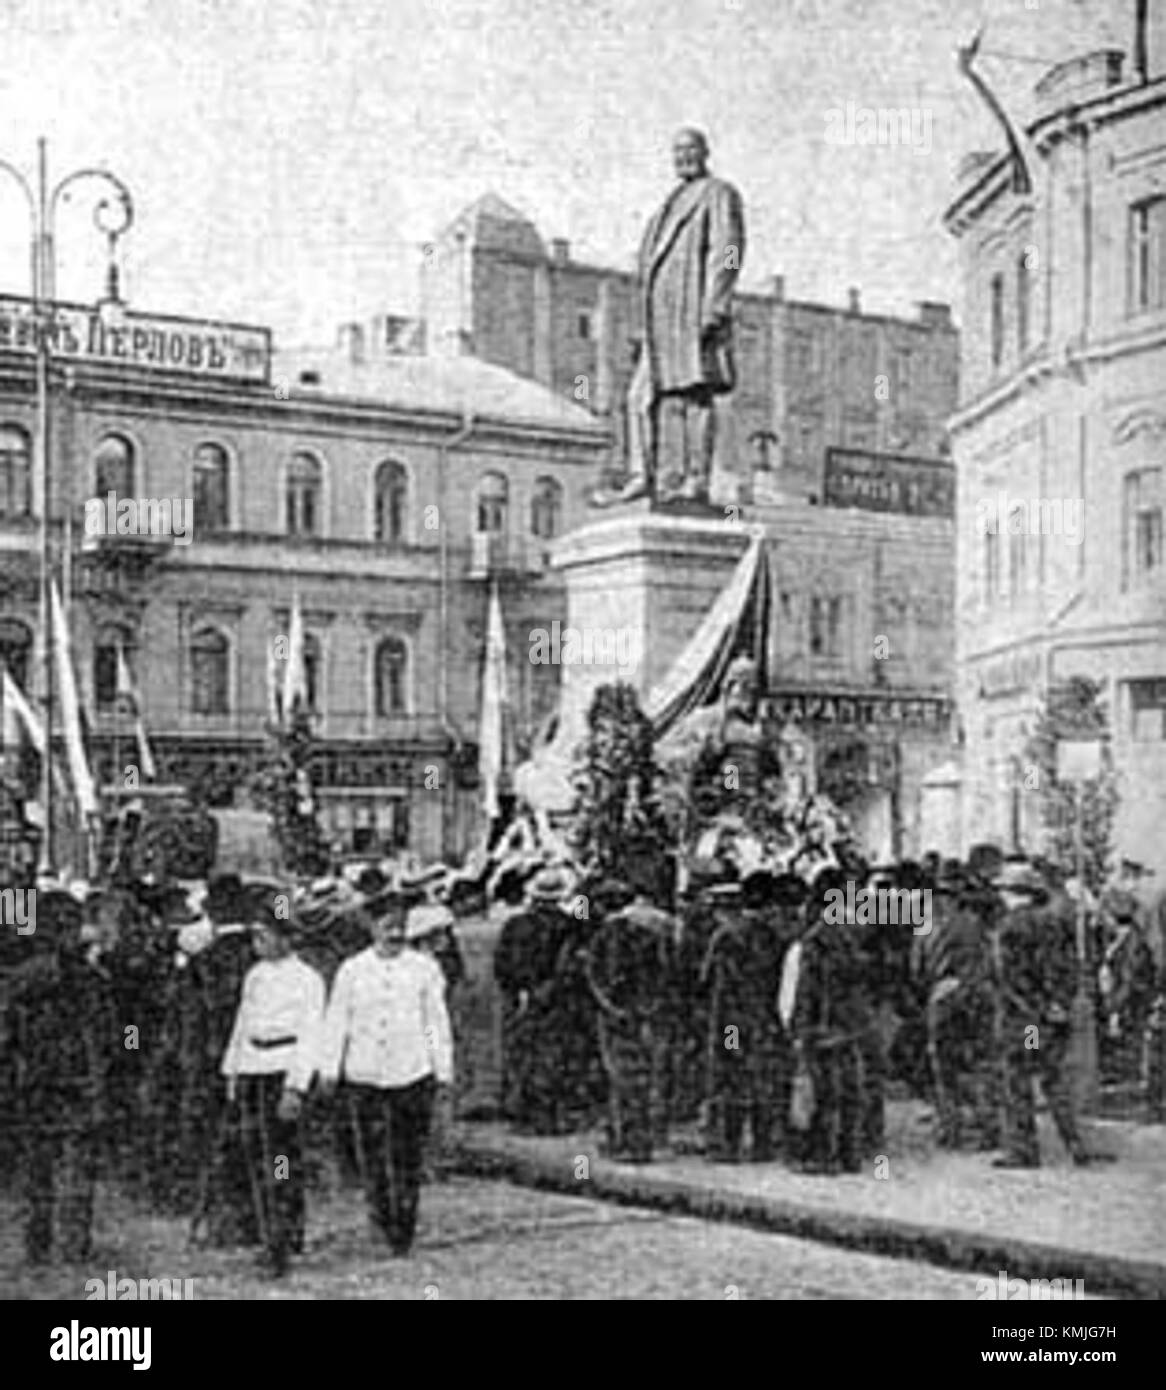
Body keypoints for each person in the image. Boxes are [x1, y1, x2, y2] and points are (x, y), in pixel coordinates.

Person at [602, 127, 746, 506]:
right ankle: (641, 476)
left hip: (692, 314)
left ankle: (696, 480)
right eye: (677, 151)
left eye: (690, 149)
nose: (683, 157)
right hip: (660, 323)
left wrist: (715, 304)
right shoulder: (666, 206)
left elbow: (728, 250)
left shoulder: (718, 193)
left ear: (705, 152)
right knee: (639, 397)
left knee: (695, 395)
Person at [318, 891, 454, 1256]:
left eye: (400, 926)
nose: (394, 933)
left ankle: (403, 1226)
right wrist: (330, 1068)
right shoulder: (352, 970)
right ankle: (380, 1218)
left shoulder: (424, 969)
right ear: (371, 926)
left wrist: (442, 1071)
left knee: (407, 1153)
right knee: (372, 1153)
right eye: (386, 925)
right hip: (364, 1072)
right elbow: (337, 1021)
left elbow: (435, 1023)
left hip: (411, 1070)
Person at [3, 889, 114, 1264]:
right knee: (77, 1166)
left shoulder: (23, 978)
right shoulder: (94, 977)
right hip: (80, 1079)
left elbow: (6, 1029)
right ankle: (74, 1245)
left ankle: (38, 1244)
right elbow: (117, 1032)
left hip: (35, 1077)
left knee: (38, 1166)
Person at [220, 885, 325, 1277]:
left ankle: (280, 1236)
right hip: (252, 1070)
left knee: (279, 1161)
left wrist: (296, 1086)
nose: (257, 943)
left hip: (283, 1071)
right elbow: (242, 1025)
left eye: (264, 936)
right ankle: (271, 1230)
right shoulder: (255, 976)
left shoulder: (307, 979)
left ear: (284, 938)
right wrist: (233, 1072)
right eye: (254, 936)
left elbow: (311, 1033)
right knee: (256, 1159)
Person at [992, 861, 1112, 1169]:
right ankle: (1075, 1144)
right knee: (1053, 1079)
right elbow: (1067, 968)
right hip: (1054, 1016)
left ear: (1010, 892)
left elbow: (1011, 980)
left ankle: (1022, 1151)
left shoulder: (1009, 927)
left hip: (1025, 1023)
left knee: (1016, 1079)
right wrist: (1058, 1005)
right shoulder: (1053, 921)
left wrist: (1034, 1012)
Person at [584, 875, 672, 1162]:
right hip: (651, 1012)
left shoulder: (610, 932)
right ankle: (641, 1137)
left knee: (622, 1077)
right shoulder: (659, 925)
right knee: (647, 1075)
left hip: (617, 1013)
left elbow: (596, 975)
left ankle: (628, 1140)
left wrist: (610, 1006)